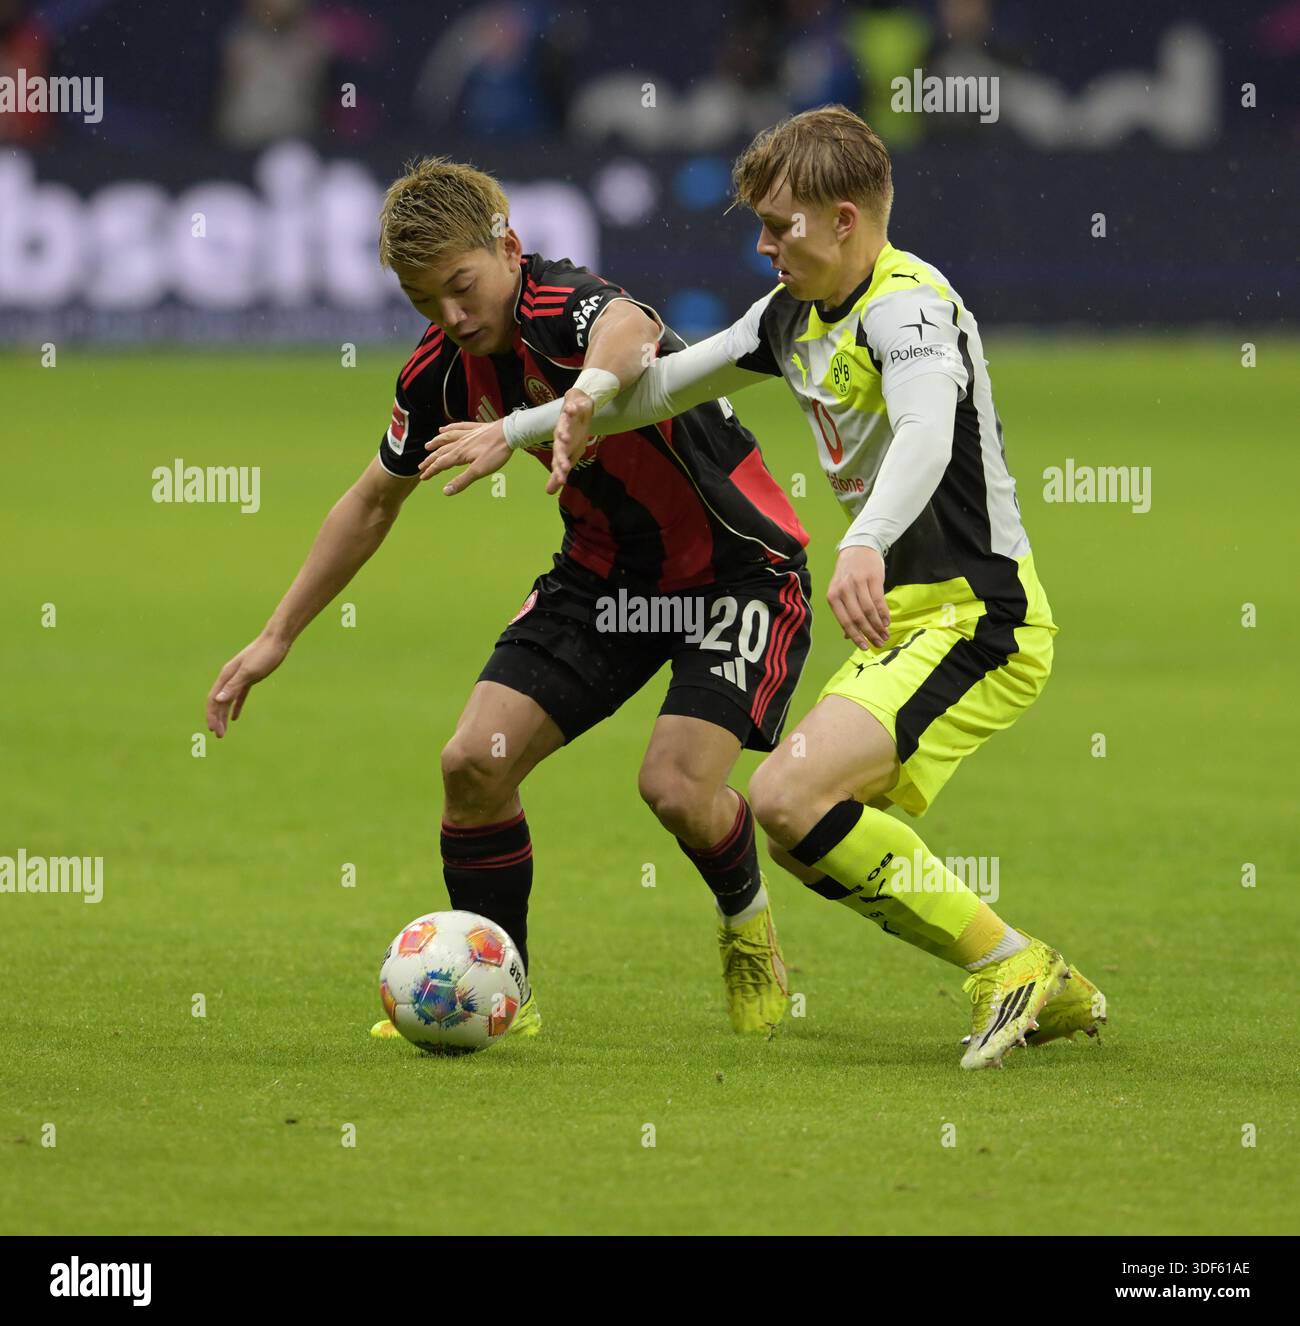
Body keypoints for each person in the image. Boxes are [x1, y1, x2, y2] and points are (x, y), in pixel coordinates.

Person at [426, 108, 1106, 1070]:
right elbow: (659, 389)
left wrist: (865, 541)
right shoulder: (791, 316)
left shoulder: (909, 308)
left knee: (787, 797)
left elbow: (927, 433)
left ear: (843, 219)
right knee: (796, 822)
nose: (763, 243)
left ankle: (1013, 965)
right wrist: (525, 426)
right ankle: (1049, 985)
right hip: (905, 625)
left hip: (975, 617)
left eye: (780, 225)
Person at [205, 156, 813, 1042]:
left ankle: (746, 924)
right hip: (603, 580)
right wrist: (275, 637)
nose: (451, 317)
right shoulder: (439, 372)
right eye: (424, 303)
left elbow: (633, 328)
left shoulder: (558, 304)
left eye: (460, 286)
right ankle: (507, 992)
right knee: (472, 766)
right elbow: (373, 499)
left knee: (676, 790)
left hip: (739, 571)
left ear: (508, 249)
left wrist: (585, 397)